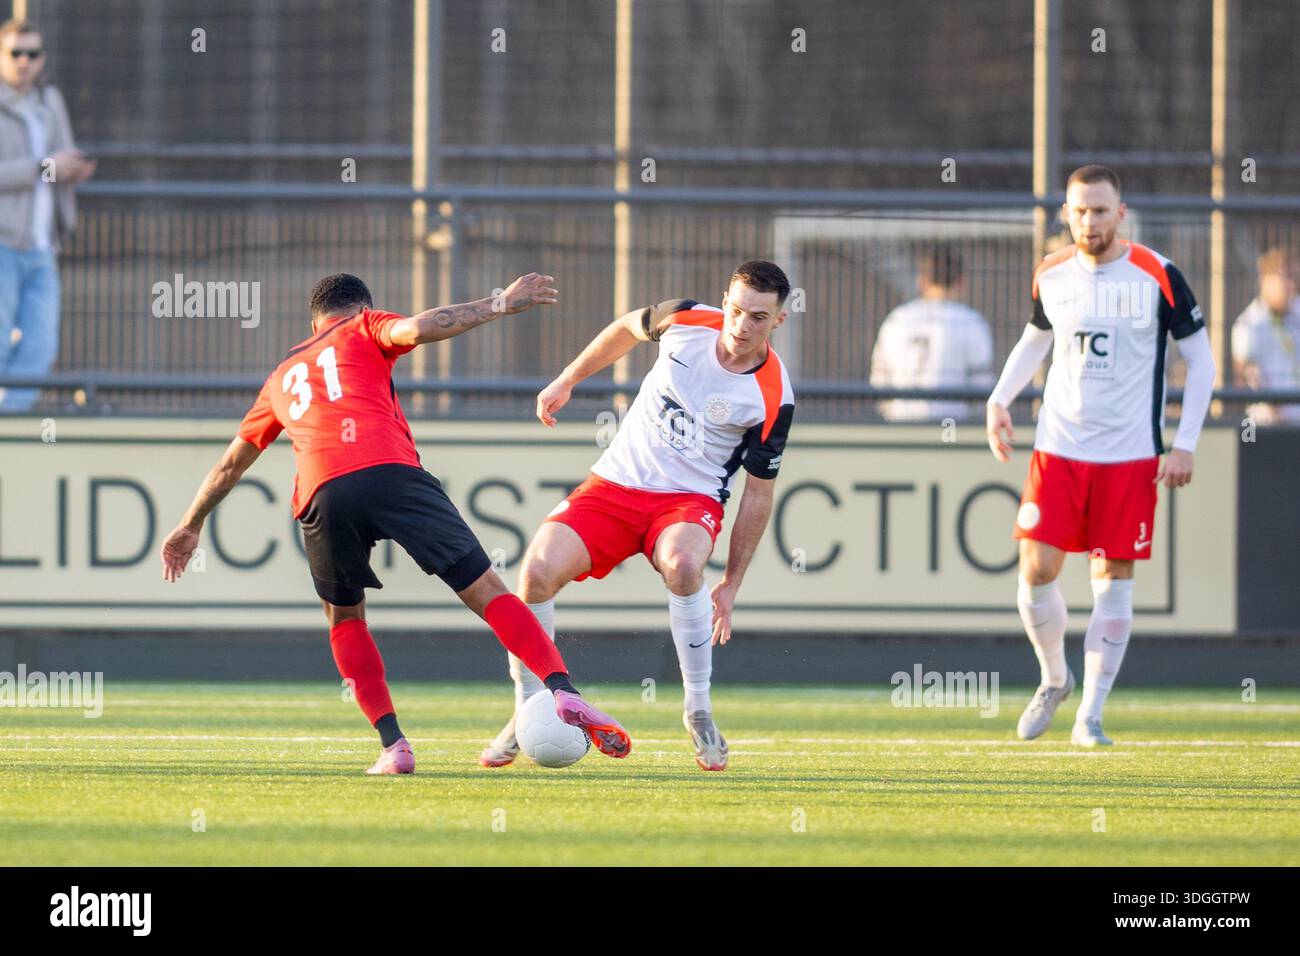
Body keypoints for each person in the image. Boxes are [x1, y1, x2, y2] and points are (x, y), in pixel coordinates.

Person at [159, 272, 631, 774]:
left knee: (345, 620)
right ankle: (562, 689)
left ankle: (394, 746)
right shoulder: (363, 327)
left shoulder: (282, 376)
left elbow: (232, 463)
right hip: (391, 472)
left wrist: (190, 525)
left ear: (313, 320)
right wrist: (498, 303)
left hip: (323, 492)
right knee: (489, 592)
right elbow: (415, 329)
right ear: (362, 307)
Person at [478, 260, 795, 772]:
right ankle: (529, 708)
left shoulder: (774, 394)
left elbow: (759, 494)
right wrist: (568, 379)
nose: (741, 326)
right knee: (534, 573)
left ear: (778, 321)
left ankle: (698, 708)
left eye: (758, 317)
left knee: (685, 566)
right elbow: (626, 328)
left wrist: (732, 583)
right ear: (725, 300)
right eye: (736, 310)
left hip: (687, 503)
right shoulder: (687, 320)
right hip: (613, 487)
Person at [984, 165, 1216, 747]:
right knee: (1036, 569)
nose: (1090, 221)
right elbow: (1037, 336)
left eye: (1101, 210)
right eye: (1080, 210)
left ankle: (1091, 714)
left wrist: (1183, 442)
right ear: (1066, 213)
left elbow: (1203, 362)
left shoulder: (1159, 275)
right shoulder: (1052, 272)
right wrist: (999, 398)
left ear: (1122, 212)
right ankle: (1054, 678)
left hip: (1131, 454)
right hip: (1058, 448)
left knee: (1112, 576)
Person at [0, 18, 95, 411]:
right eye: (15, 53)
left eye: (32, 53)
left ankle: (11, 422)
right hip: (3, 243)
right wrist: (45, 166)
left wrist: (71, 169)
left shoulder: (49, 101)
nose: (24, 61)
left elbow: (61, 157)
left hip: (43, 247)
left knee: (42, 345)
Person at [870, 244, 993, 422]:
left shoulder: (897, 319)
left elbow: (879, 381)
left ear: (922, 281)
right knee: (948, 445)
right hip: (949, 426)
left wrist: (892, 413)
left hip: (902, 422)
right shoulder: (972, 322)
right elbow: (982, 387)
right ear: (961, 282)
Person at [1231, 247, 1300, 425]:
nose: (1289, 285)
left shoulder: (1297, 310)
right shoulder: (1249, 323)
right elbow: (1246, 374)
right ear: (1264, 279)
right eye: (1283, 277)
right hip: (1267, 424)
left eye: (1292, 277)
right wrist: (1274, 409)